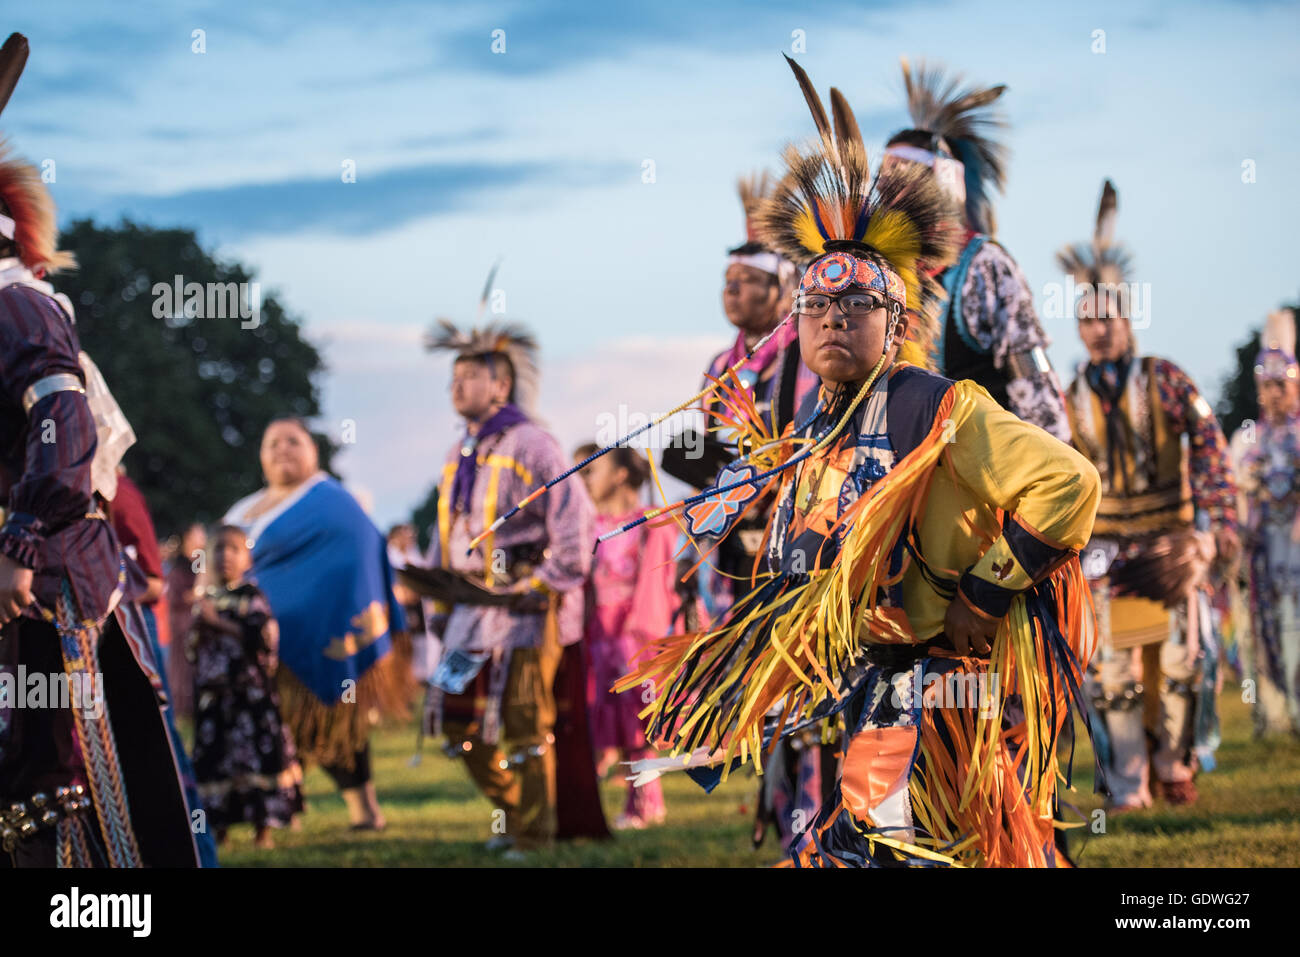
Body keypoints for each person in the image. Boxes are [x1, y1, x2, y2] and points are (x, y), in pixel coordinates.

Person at [613, 59, 1101, 867]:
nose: (834, 320)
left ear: (896, 317)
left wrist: (987, 587)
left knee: (925, 845)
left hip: (946, 687)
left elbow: (1069, 479)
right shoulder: (815, 419)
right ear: (796, 319)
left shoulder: (940, 404)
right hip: (876, 683)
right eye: (817, 305)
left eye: (856, 306)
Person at [0, 34, 198, 867]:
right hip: (31, 575)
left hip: (48, 584)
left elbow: (64, 422)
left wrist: (20, 544)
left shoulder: (16, 305)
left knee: (56, 792)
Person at [1058, 180, 1238, 809]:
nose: (1097, 330)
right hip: (1106, 549)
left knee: (1183, 665)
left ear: (1127, 319)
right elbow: (1056, 471)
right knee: (1114, 675)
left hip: (1171, 544)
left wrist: (1213, 528)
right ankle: (1130, 786)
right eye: (1086, 320)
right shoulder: (1068, 397)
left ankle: (1175, 766)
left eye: (1107, 318)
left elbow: (1211, 446)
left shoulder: (1166, 379)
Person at [422, 320, 593, 855]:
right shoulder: (461, 452)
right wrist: (434, 590)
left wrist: (544, 584)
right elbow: (444, 528)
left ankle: (535, 835)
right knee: (453, 716)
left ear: (500, 385)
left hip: (526, 605)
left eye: (470, 375)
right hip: (471, 605)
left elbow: (576, 519)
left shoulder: (534, 443)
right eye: (453, 376)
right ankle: (514, 811)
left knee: (522, 719)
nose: (457, 386)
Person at [224, 417, 409, 831]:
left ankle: (365, 812)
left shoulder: (331, 500)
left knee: (334, 723)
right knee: (270, 729)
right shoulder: (244, 509)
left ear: (314, 452)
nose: (282, 450)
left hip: (318, 632)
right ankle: (273, 813)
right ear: (260, 457)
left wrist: (299, 604)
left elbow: (357, 556)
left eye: (293, 441)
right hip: (251, 643)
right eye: (272, 443)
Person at [882, 58, 1070, 442]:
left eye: (901, 178)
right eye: (881, 179)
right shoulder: (883, 272)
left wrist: (1053, 478)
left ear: (943, 184)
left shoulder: (986, 266)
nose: (887, 191)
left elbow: (1036, 393)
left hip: (982, 475)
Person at [576, 443, 676, 830]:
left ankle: (648, 803)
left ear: (619, 475)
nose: (586, 479)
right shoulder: (593, 527)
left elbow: (659, 578)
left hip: (636, 631)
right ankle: (631, 800)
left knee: (639, 719)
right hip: (598, 630)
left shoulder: (650, 522)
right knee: (610, 715)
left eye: (592, 470)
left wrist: (643, 629)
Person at [189, 525, 303, 849]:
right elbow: (193, 651)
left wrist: (219, 623)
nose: (225, 556)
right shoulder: (206, 599)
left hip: (250, 697)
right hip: (215, 697)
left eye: (234, 549)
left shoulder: (252, 597)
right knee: (216, 761)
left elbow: (262, 639)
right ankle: (220, 829)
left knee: (257, 759)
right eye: (218, 549)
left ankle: (262, 829)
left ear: (248, 559)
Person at [1232, 308, 1300, 736]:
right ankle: (1273, 716)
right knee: (1262, 632)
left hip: (1295, 549)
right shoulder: (1247, 438)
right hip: (1259, 555)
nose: (1274, 393)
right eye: (1267, 385)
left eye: (1282, 385)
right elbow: (1232, 489)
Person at [166, 522, 207, 720]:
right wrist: (197, 594)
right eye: (199, 535)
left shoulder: (200, 560)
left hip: (196, 622)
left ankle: (192, 705)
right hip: (182, 623)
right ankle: (182, 706)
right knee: (181, 667)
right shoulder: (179, 565)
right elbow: (178, 595)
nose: (203, 539)